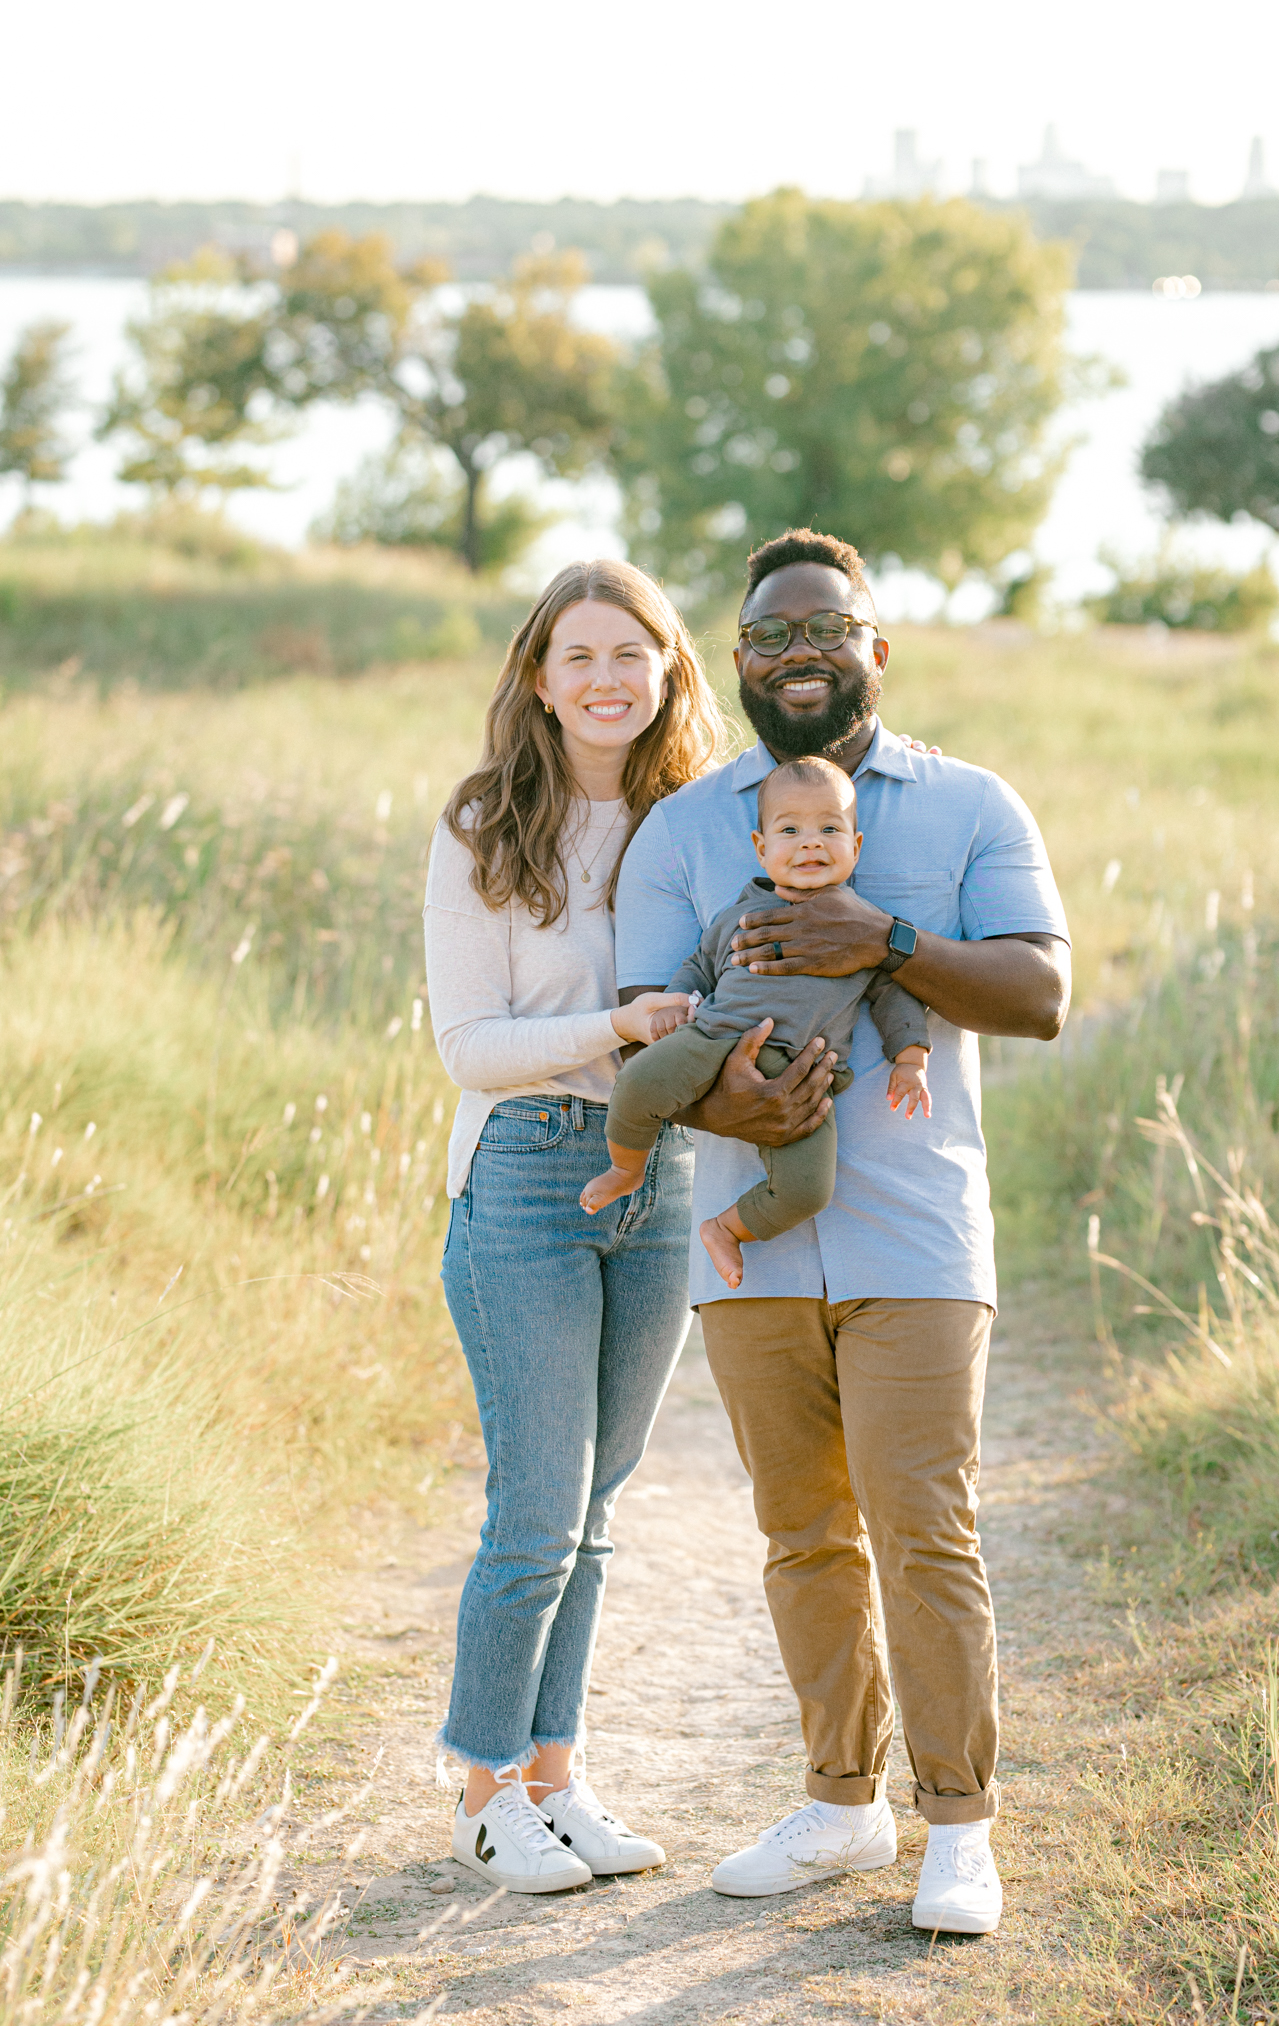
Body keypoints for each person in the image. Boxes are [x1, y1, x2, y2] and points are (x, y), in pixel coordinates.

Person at [614, 528, 1071, 1934]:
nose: (800, 654)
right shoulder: (684, 829)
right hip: (747, 1242)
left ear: (877, 649)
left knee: (924, 1529)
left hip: (916, 1237)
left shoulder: (972, 804)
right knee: (801, 1531)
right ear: (737, 661)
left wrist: (884, 941)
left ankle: (960, 1829)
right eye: (771, 635)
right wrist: (731, 1103)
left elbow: (1039, 995)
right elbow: (648, 1020)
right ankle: (840, 1803)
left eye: (827, 630)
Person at [425, 559, 727, 1894]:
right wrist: (613, 1025)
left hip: (660, 1177)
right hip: (528, 1171)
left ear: (668, 669)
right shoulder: (486, 822)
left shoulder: (698, 820)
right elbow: (467, 1047)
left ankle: (557, 1777)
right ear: (540, 680)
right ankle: (485, 1793)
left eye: (630, 652)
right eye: (579, 655)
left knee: (597, 1508)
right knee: (538, 1510)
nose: (607, 678)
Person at [580, 757, 931, 1290]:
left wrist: (910, 1058)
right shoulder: (741, 913)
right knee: (637, 1080)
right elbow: (702, 963)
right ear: (761, 848)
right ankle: (626, 1169)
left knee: (809, 1190)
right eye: (790, 831)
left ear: (855, 846)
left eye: (829, 829)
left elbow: (893, 997)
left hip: (803, 1072)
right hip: (715, 1036)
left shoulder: (863, 925)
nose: (810, 843)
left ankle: (727, 1228)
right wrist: (676, 1001)